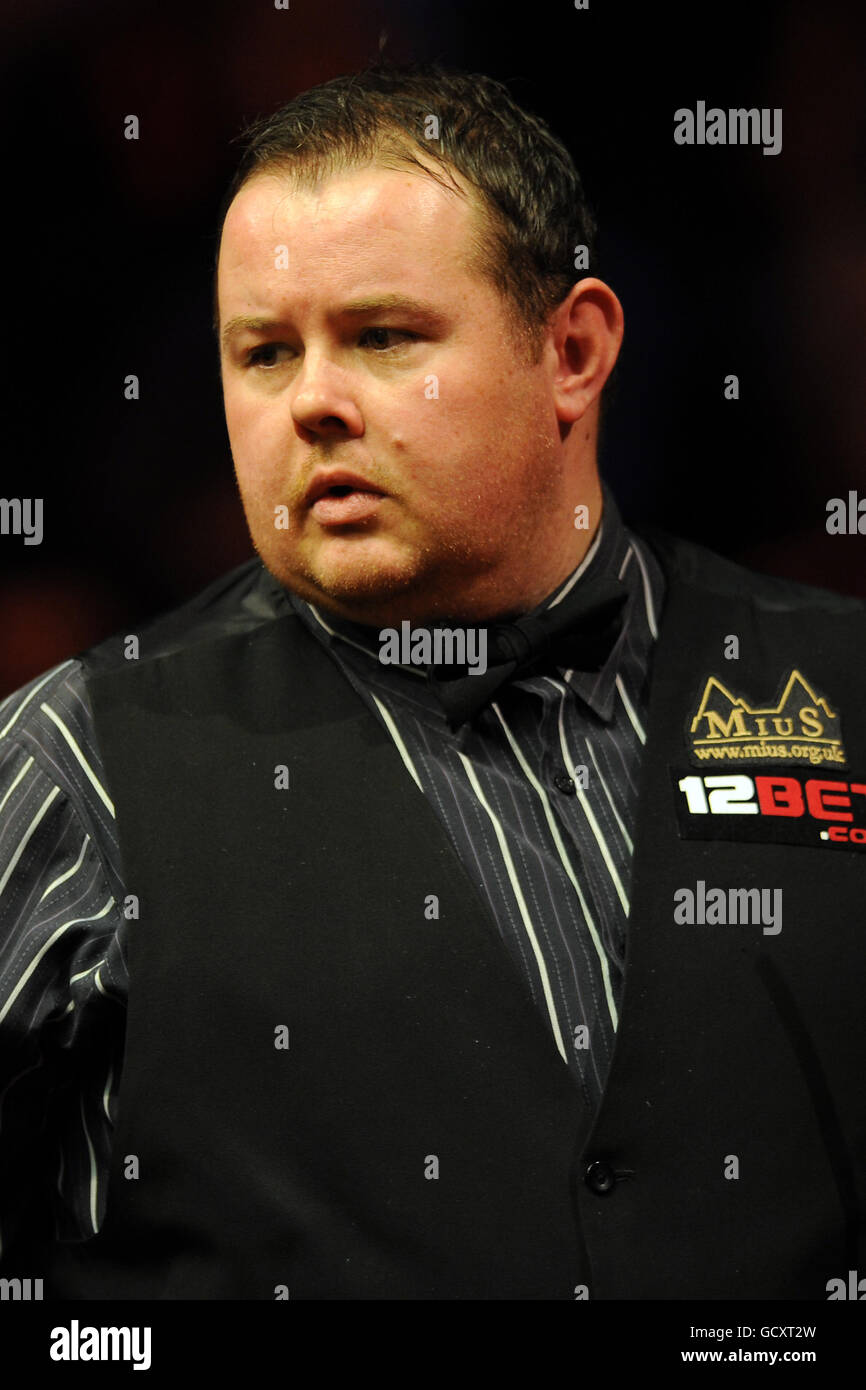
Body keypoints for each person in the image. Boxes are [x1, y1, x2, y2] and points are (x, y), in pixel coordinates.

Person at [0, 61, 864, 1302]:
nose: (311, 405)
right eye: (261, 353)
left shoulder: (839, 687)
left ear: (571, 349)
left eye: (382, 336)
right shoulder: (69, 768)